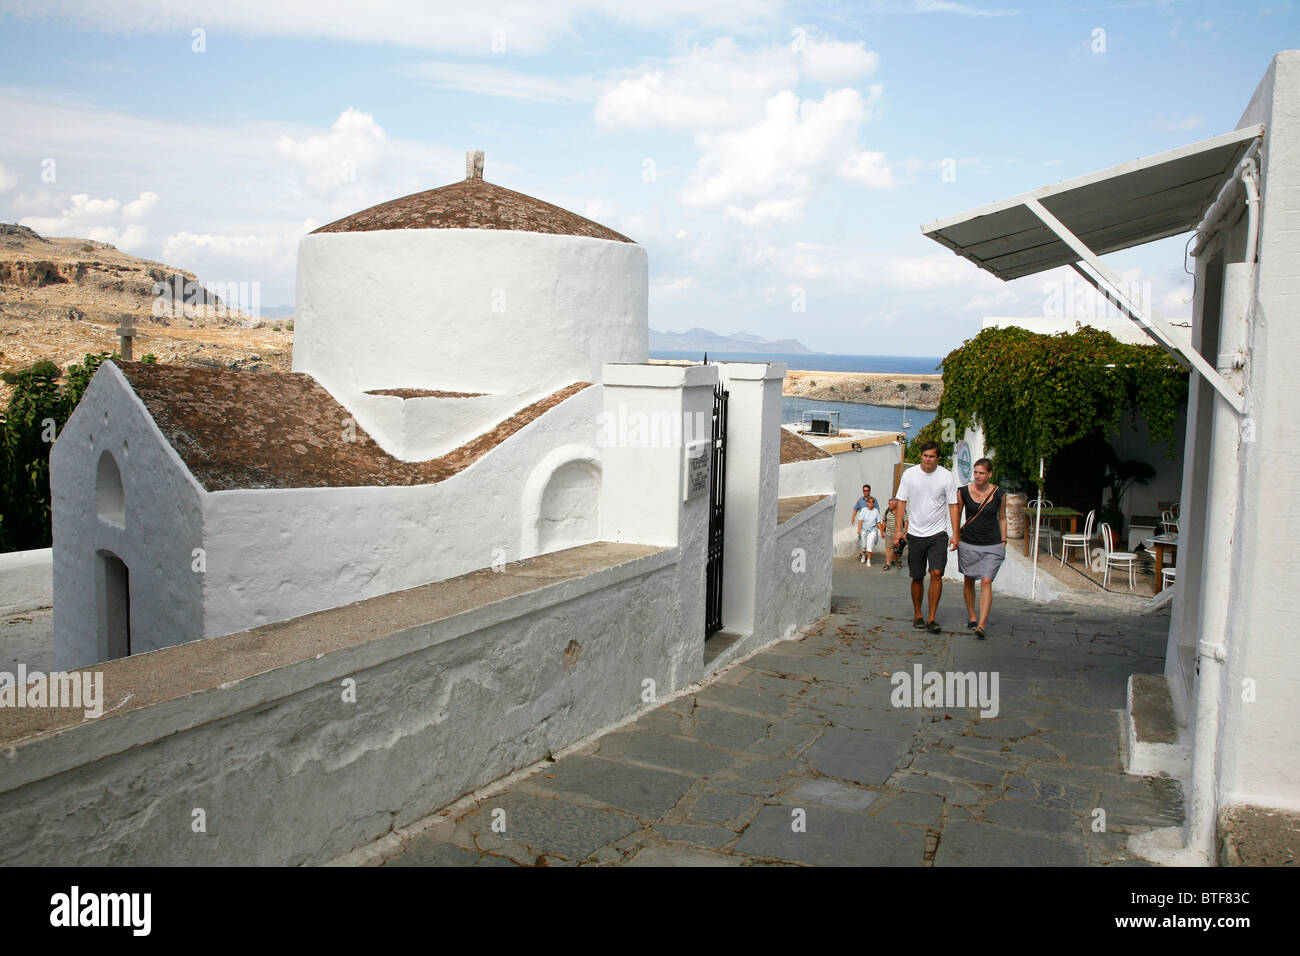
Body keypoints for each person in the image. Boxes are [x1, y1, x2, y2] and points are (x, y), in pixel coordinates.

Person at [892, 442, 959, 633]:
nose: (928, 459)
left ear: (937, 458)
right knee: (917, 576)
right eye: (925, 456)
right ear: (921, 456)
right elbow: (901, 503)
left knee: (936, 573)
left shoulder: (946, 476)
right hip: (915, 533)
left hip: (938, 533)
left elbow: (953, 505)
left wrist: (956, 533)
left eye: (932, 456)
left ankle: (932, 618)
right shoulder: (910, 475)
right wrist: (898, 530)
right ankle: (918, 614)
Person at [956, 457, 1007, 639]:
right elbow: (957, 515)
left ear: (989, 474)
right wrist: (955, 536)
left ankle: (982, 624)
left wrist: (1003, 541)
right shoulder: (963, 492)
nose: (977, 476)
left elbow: (1002, 517)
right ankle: (972, 617)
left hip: (992, 543)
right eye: (975, 472)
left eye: (981, 473)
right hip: (969, 542)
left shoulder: (999, 493)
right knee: (969, 580)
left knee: (986, 580)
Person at [880, 496, 906, 571]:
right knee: (888, 548)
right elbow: (884, 522)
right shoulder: (887, 511)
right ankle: (888, 564)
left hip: (899, 534)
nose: (889, 505)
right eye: (889, 504)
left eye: (890, 504)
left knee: (898, 549)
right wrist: (882, 532)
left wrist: (905, 532)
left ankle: (898, 560)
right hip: (889, 533)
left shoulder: (902, 511)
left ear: (895, 504)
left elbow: (906, 522)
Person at [853, 495, 881, 566]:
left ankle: (868, 559)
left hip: (873, 530)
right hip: (864, 530)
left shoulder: (876, 511)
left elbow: (878, 522)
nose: (871, 503)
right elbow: (860, 521)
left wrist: (881, 531)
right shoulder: (863, 510)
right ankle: (863, 555)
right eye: (869, 501)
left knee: (870, 544)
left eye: (872, 502)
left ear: (874, 503)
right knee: (864, 545)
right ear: (867, 503)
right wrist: (859, 530)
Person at [850, 484, 874, 561]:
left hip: (870, 524)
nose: (865, 492)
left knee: (869, 539)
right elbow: (855, 509)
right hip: (862, 524)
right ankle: (863, 553)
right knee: (863, 539)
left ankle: (866, 554)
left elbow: (876, 511)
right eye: (864, 490)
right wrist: (853, 518)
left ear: (869, 491)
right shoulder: (860, 500)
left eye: (867, 490)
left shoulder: (873, 500)